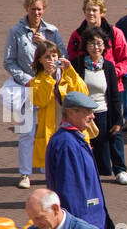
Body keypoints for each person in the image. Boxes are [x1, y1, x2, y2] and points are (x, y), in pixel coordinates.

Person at [2, 0, 63, 188]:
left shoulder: (52, 31)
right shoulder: (16, 32)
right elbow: (9, 61)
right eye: (32, 9)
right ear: (26, 9)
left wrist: (44, 43)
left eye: (39, 9)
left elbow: (62, 56)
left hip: (47, 88)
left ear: (44, 9)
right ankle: (25, 173)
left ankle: (48, 168)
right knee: (27, 131)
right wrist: (27, 80)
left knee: (49, 130)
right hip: (27, 88)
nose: (36, 12)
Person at [45, 91, 110, 229]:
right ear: (71, 113)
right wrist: (78, 228)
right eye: (87, 111)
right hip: (84, 223)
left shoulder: (72, 139)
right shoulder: (67, 144)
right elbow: (70, 190)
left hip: (89, 221)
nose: (92, 116)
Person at [64, 0, 127, 124]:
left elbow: (126, 60)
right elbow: (72, 60)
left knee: (112, 125)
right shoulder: (76, 35)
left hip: (111, 87)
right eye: (88, 10)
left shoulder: (115, 33)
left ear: (102, 12)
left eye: (94, 10)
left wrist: (111, 72)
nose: (91, 13)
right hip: (85, 87)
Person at [27, 42, 85, 183]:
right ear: (40, 60)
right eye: (47, 57)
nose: (52, 60)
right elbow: (40, 100)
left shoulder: (67, 74)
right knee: (55, 167)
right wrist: (48, 77)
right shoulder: (37, 81)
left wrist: (70, 70)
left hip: (70, 123)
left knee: (72, 162)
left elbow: (82, 92)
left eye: (54, 55)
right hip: (51, 126)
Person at [75, 26, 125, 186]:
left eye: (99, 43)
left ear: (104, 46)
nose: (95, 47)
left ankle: (120, 170)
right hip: (84, 114)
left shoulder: (109, 66)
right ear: (85, 46)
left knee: (111, 140)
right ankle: (86, 176)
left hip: (104, 112)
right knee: (87, 147)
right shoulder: (78, 64)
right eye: (91, 43)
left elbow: (114, 95)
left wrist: (118, 119)